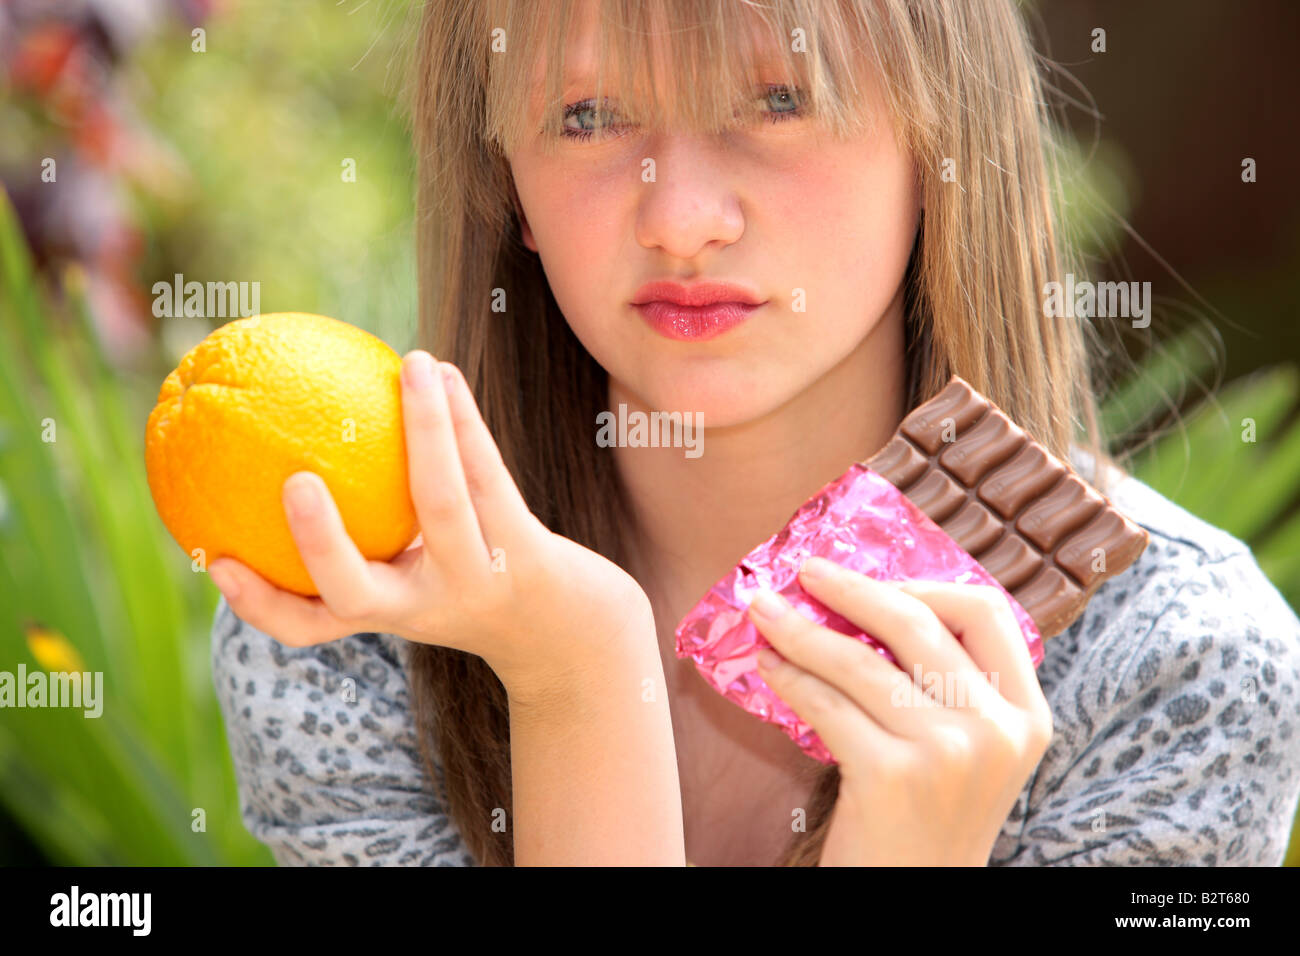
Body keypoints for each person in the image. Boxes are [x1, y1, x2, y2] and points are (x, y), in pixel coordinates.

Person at [207, 0, 1300, 866]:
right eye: (586, 116)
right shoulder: (356, 626)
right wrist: (577, 672)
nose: (681, 218)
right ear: (505, 183)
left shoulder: (1175, 673)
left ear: (943, 134)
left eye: (777, 98)